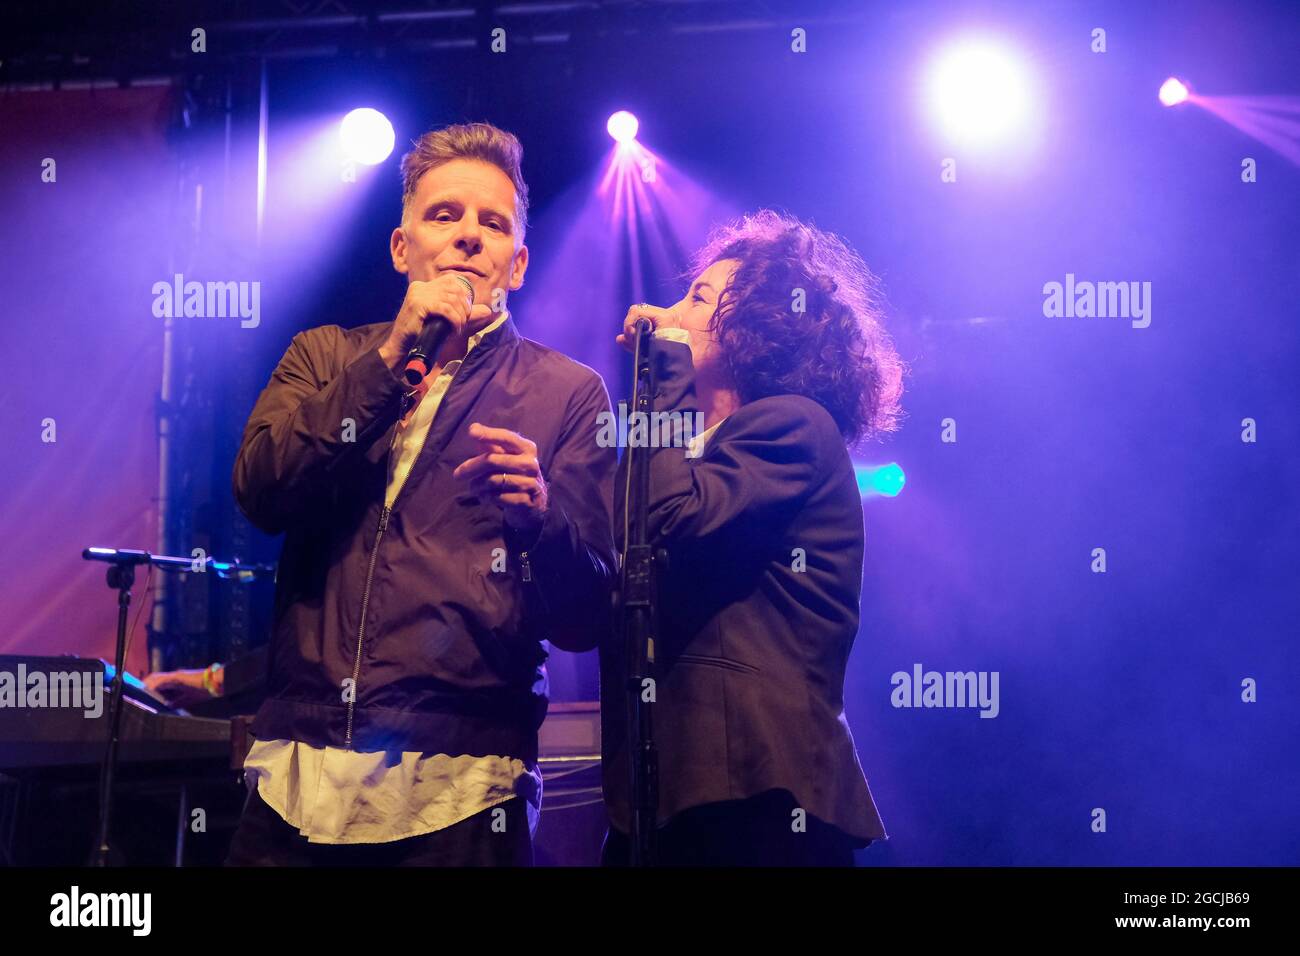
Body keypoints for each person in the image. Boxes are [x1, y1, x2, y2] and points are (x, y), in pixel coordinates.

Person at [224, 122, 617, 866]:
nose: (469, 236)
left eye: (492, 224)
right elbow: (261, 491)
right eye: (444, 215)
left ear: (519, 262)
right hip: (295, 777)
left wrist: (541, 521)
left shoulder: (568, 394)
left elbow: (587, 612)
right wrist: (383, 365)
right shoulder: (327, 354)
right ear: (402, 248)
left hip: (462, 786)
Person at [601, 209, 904, 866]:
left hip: (758, 801)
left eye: (698, 299)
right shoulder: (682, 447)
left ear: (755, 332)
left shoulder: (794, 428)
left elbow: (669, 522)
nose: (664, 310)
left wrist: (666, 366)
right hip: (667, 797)